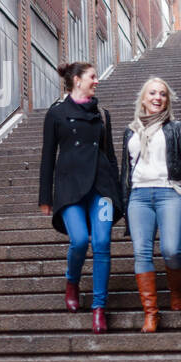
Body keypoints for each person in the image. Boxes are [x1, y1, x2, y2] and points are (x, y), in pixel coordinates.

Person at [38, 61, 123, 334]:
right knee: (79, 240)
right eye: (92, 77)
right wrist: (45, 196)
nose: (96, 81)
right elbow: (47, 157)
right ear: (77, 80)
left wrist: (119, 193)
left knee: (101, 241)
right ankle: (72, 281)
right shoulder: (56, 114)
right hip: (70, 187)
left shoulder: (102, 113)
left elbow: (110, 156)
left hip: (102, 188)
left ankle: (99, 308)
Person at [120, 76, 181, 333]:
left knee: (171, 249)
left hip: (169, 193)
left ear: (167, 100)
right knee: (141, 253)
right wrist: (120, 201)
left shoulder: (175, 128)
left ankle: (176, 291)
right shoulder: (130, 131)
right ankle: (151, 314)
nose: (157, 98)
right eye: (152, 93)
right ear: (143, 99)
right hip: (138, 197)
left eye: (162, 94)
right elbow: (125, 171)